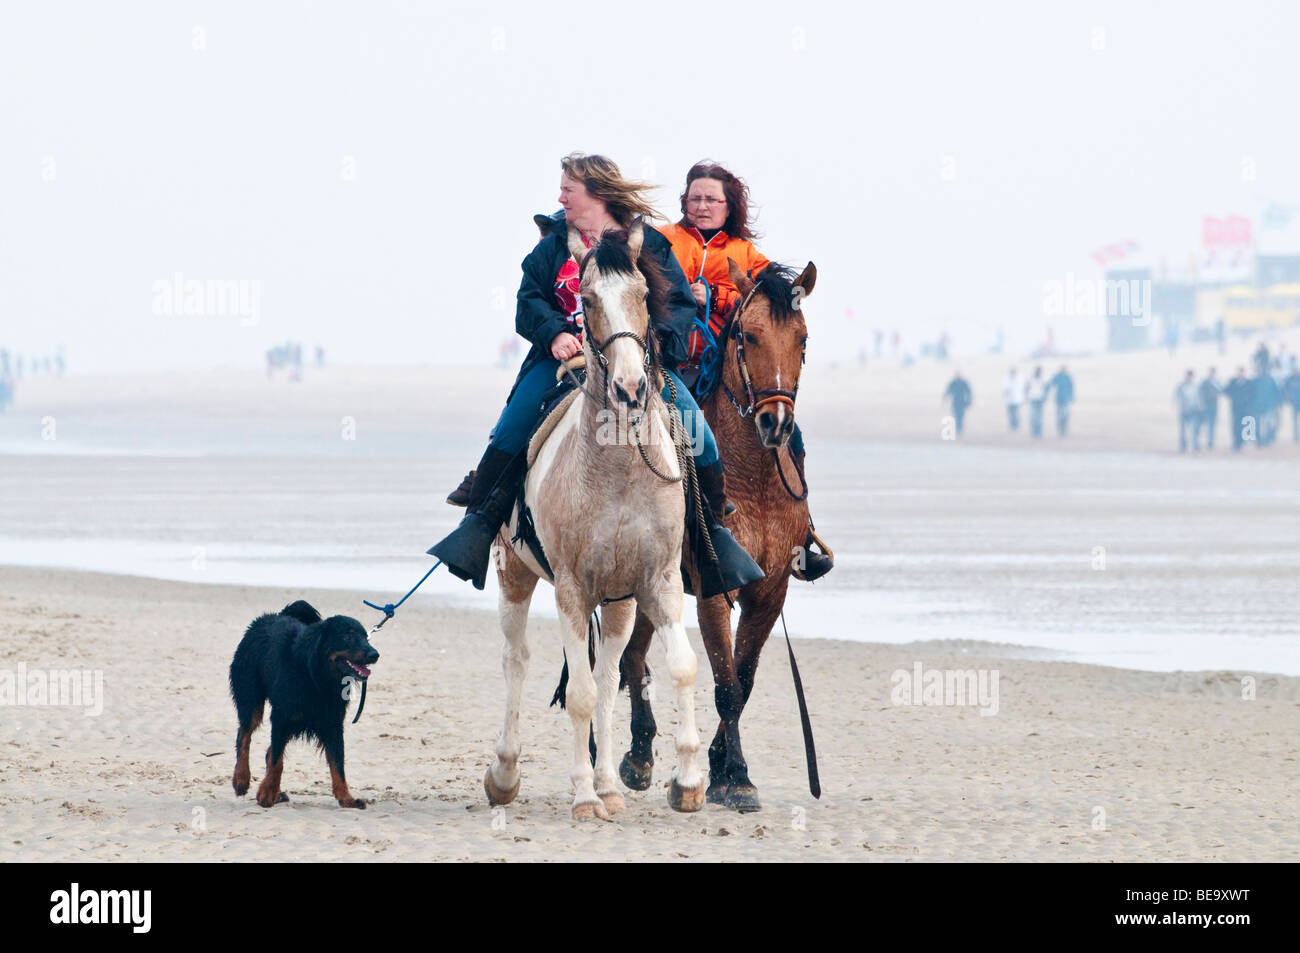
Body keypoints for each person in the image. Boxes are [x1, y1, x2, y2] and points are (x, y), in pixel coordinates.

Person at [431, 153, 762, 596]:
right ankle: (478, 527)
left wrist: (652, 347)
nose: (560, 196)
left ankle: (713, 539)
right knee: (510, 432)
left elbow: (678, 306)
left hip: (636, 362)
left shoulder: (647, 245)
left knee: (697, 433)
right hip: (561, 363)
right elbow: (528, 302)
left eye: (569, 189)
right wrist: (553, 335)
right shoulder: (552, 244)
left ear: (596, 193)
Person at [657, 160, 832, 581]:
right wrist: (684, 295)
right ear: (685, 201)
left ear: (728, 205)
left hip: (725, 366)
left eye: (711, 199)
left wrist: (715, 296)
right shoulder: (664, 242)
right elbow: (646, 286)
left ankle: (801, 531)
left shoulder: (746, 255)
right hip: (670, 362)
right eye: (695, 198)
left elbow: (775, 305)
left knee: (793, 435)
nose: (702, 206)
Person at [1224, 367, 1252, 452]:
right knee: (1235, 426)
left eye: (1242, 372)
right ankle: (1236, 443)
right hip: (1235, 407)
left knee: (1244, 426)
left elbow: (1252, 393)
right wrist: (1233, 397)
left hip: (1245, 408)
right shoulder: (1233, 382)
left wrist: (1247, 400)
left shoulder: (1248, 383)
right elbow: (1226, 390)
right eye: (1240, 372)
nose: (1241, 374)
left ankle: (1241, 443)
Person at [1173, 369, 1201, 452]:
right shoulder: (1181, 386)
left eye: (1191, 376)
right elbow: (1176, 396)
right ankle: (1183, 446)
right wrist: (1178, 405)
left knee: (1194, 429)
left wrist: (1199, 408)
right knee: (1182, 430)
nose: (1190, 377)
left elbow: (1198, 398)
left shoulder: (1195, 386)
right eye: (1189, 375)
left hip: (1193, 411)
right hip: (1184, 411)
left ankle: (1195, 445)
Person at [1197, 367, 1222, 450]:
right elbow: (1200, 393)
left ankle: (1210, 443)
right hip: (1206, 407)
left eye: (1214, 373)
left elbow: (1219, 392)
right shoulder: (1205, 382)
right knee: (1203, 425)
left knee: (1212, 426)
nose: (1213, 374)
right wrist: (1202, 405)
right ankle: (1198, 442)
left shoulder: (1217, 382)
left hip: (1214, 407)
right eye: (1211, 372)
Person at [943, 371, 972, 436]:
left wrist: (969, 402)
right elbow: (948, 391)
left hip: (962, 403)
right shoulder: (953, 383)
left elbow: (969, 393)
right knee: (956, 416)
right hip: (955, 403)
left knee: (960, 417)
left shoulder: (964, 383)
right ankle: (957, 430)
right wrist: (945, 398)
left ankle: (959, 430)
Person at [1049, 365, 1074, 436]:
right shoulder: (1058, 376)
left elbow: (1071, 387)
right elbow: (1052, 383)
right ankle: (1060, 429)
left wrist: (1071, 397)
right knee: (1059, 415)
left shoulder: (1068, 377)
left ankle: (1064, 429)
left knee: (1066, 415)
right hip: (1059, 399)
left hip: (1066, 399)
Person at [1025, 366, 1048, 438]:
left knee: (1039, 417)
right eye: (1037, 371)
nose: (1038, 372)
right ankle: (1033, 432)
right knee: (1033, 417)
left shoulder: (1043, 379)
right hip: (1033, 399)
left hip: (1040, 399)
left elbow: (1046, 389)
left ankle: (1039, 432)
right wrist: (1026, 397)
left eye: (1039, 371)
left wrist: (1045, 397)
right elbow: (1026, 388)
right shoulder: (1030, 379)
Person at [1002, 367, 1025, 431]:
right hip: (1009, 399)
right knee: (1010, 413)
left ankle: (1016, 425)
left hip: (1016, 399)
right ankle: (1012, 426)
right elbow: (1005, 388)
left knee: (1016, 413)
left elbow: (1021, 388)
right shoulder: (1006, 378)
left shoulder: (1019, 378)